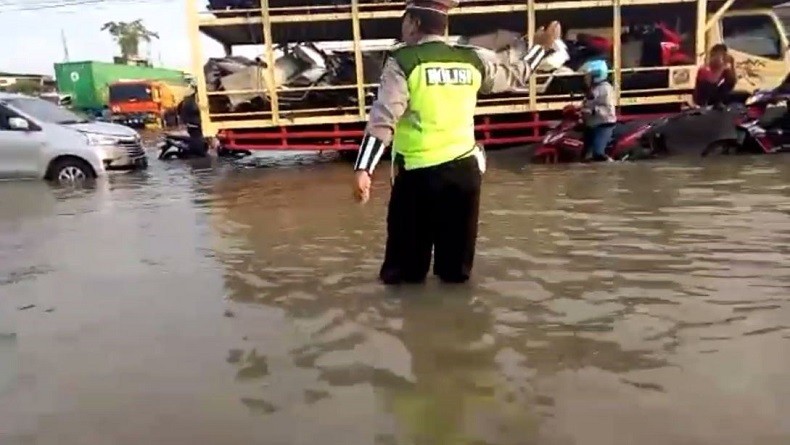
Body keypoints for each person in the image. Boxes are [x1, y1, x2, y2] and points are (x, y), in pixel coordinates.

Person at [351, 0, 562, 285]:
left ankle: (407, 325)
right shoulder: (471, 59)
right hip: (465, 175)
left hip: (417, 177)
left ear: (413, 23)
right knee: (455, 273)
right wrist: (541, 48)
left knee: (404, 274)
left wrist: (364, 168)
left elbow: (384, 118)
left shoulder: (404, 60)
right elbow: (517, 75)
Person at [580, 59, 616, 162]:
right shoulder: (592, 88)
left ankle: (610, 164)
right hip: (591, 124)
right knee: (584, 151)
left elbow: (608, 108)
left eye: (588, 75)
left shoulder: (605, 88)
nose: (586, 78)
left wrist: (593, 111)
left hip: (603, 124)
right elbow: (587, 103)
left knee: (598, 153)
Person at [693, 44, 736, 108]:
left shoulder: (723, 70)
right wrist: (722, 67)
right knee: (708, 86)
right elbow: (712, 82)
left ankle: (719, 103)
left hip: (715, 98)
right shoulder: (704, 69)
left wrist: (731, 65)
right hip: (702, 100)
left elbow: (732, 81)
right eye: (722, 56)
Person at [176, 83, 208, 157]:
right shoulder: (190, 100)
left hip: (192, 123)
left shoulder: (189, 99)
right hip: (193, 123)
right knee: (197, 139)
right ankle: (198, 153)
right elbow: (195, 109)